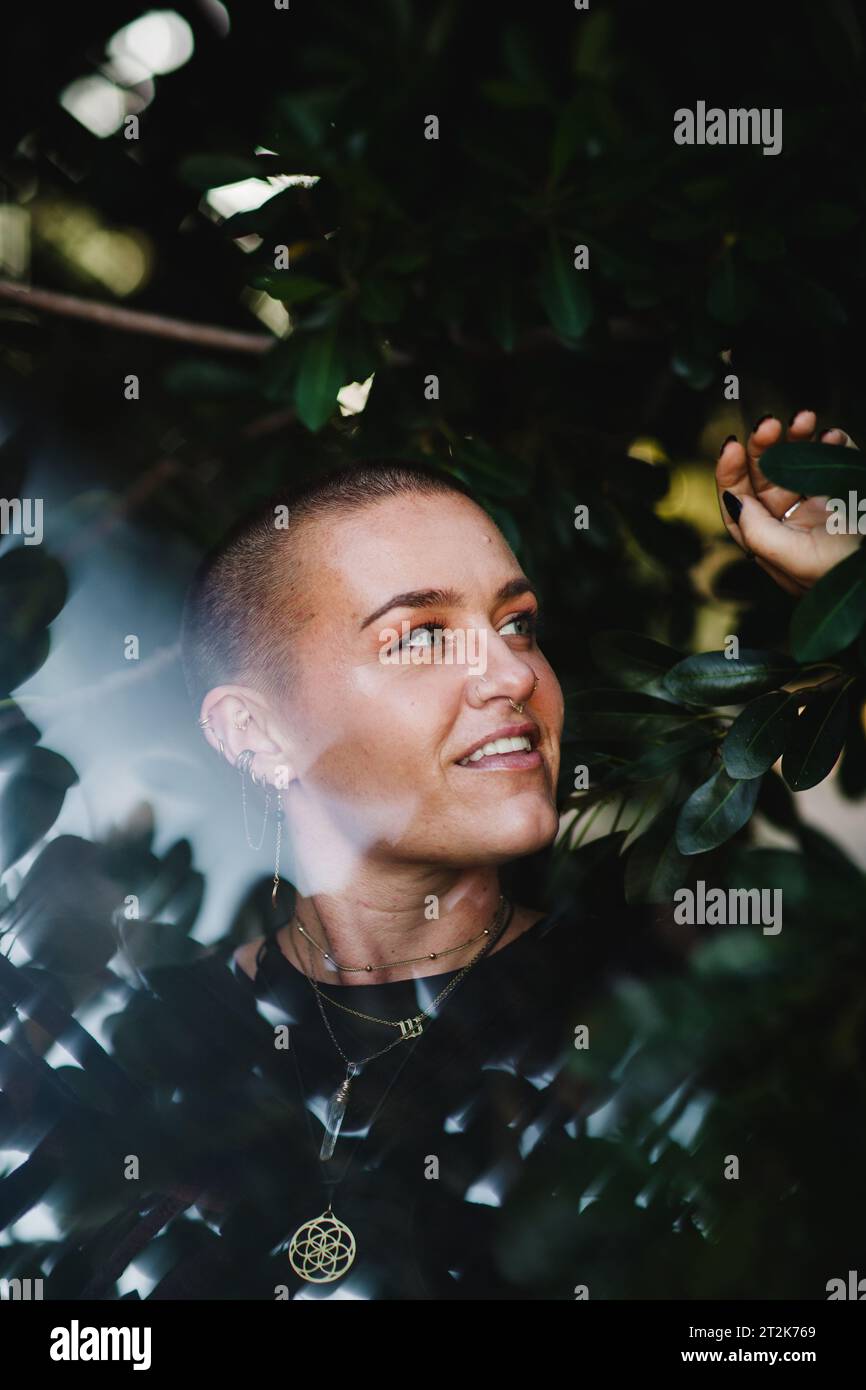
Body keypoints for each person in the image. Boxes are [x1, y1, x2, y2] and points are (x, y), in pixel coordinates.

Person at [129, 407, 850, 1301]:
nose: (513, 675)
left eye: (517, 623)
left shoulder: (685, 994)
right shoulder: (148, 1052)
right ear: (256, 731)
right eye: (422, 636)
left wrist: (853, 595)